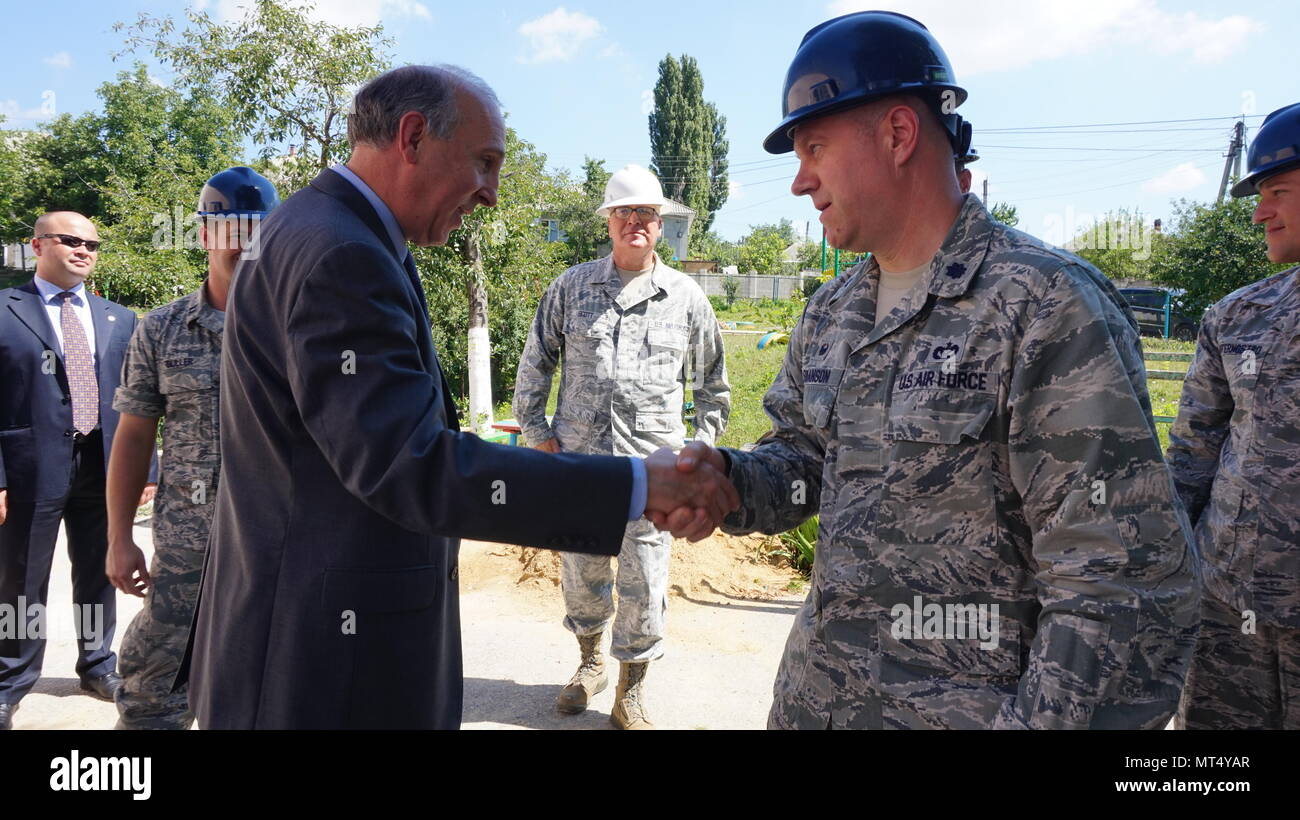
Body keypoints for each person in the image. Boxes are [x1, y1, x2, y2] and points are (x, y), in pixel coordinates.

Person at [660, 11, 1199, 729]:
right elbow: (805, 464)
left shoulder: (1045, 303)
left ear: (898, 134)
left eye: (813, 146)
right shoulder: (831, 313)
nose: (799, 182)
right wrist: (729, 480)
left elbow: (1118, 587)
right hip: (818, 704)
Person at [184, 65, 737, 730]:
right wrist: (635, 486)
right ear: (413, 136)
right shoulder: (343, 254)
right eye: (485, 163)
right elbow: (411, 465)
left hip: (302, 638)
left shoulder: (313, 227)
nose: (493, 195)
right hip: (323, 667)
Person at [514, 164, 730, 729]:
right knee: (581, 574)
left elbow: (714, 389)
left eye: (647, 215)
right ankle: (588, 666)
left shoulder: (687, 298)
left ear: (661, 226)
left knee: (645, 581)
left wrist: (696, 454)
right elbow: (535, 363)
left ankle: (630, 691)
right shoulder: (572, 287)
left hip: (653, 473)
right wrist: (538, 435)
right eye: (624, 213)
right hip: (581, 466)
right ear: (608, 221)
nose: (635, 222)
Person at [105, 167, 279, 730]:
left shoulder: (303, 325)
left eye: (259, 230)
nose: (245, 243)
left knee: (275, 690)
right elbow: (134, 436)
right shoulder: (162, 329)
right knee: (153, 693)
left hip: (281, 548)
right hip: (187, 550)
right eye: (231, 229)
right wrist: (118, 538)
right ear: (204, 235)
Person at [1167, 102, 1300, 729]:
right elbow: (1193, 455)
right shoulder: (1239, 317)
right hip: (1229, 612)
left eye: (1277, 190)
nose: (1259, 212)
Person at [0, 211, 155, 730]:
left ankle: (96, 665)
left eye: (91, 243)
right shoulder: (5, 309)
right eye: (71, 240)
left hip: (103, 467)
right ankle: (11, 678)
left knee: (99, 572)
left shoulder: (120, 318)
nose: (84, 250)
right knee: (22, 579)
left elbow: (140, 401)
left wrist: (147, 468)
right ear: (38, 244)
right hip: (30, 468)